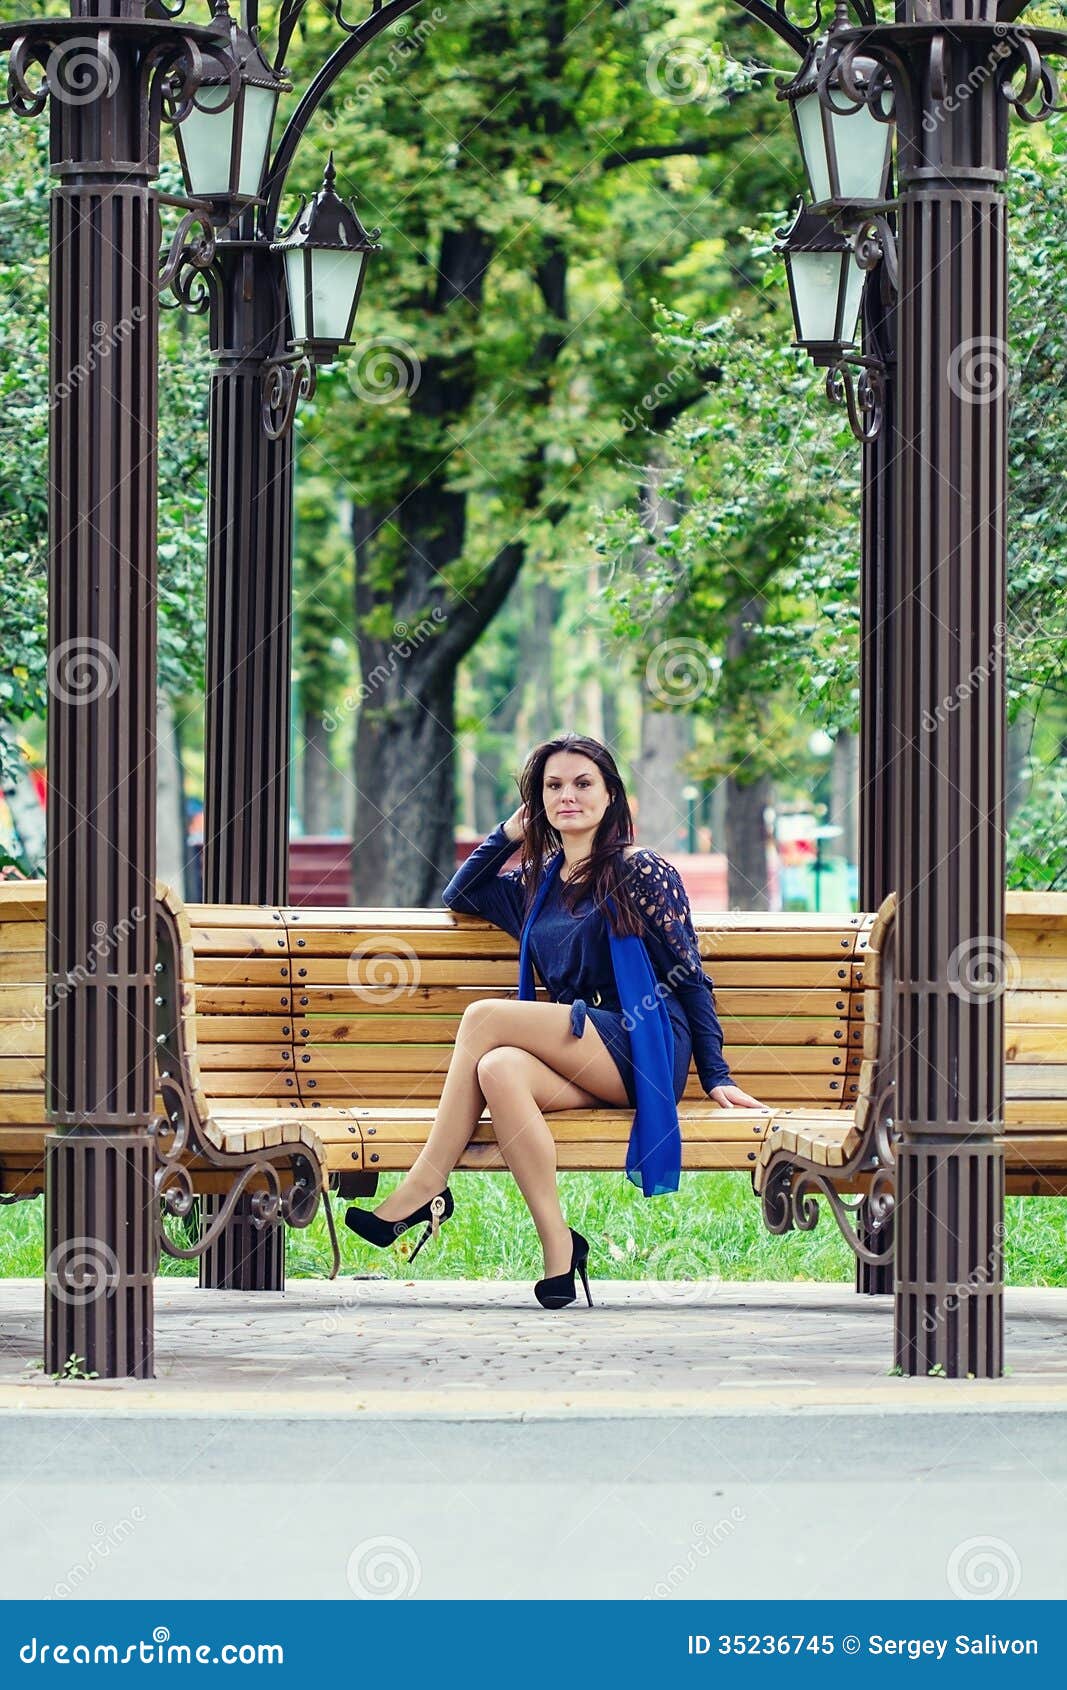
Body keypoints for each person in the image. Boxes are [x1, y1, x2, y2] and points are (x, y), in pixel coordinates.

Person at [344, 733, 766, 1309]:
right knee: (498, 1069)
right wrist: (510, 833)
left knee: (483, 1017)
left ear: (611, 795)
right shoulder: (534, 887)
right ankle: (559, 1252)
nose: (568, 795)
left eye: (583, 783)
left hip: (644, 1044)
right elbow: (460, 894)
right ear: (536, 801)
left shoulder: (643, 873)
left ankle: (425, 1184)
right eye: (553, 786)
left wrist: (716, 1075)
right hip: (581, 1048)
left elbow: (689, 976)